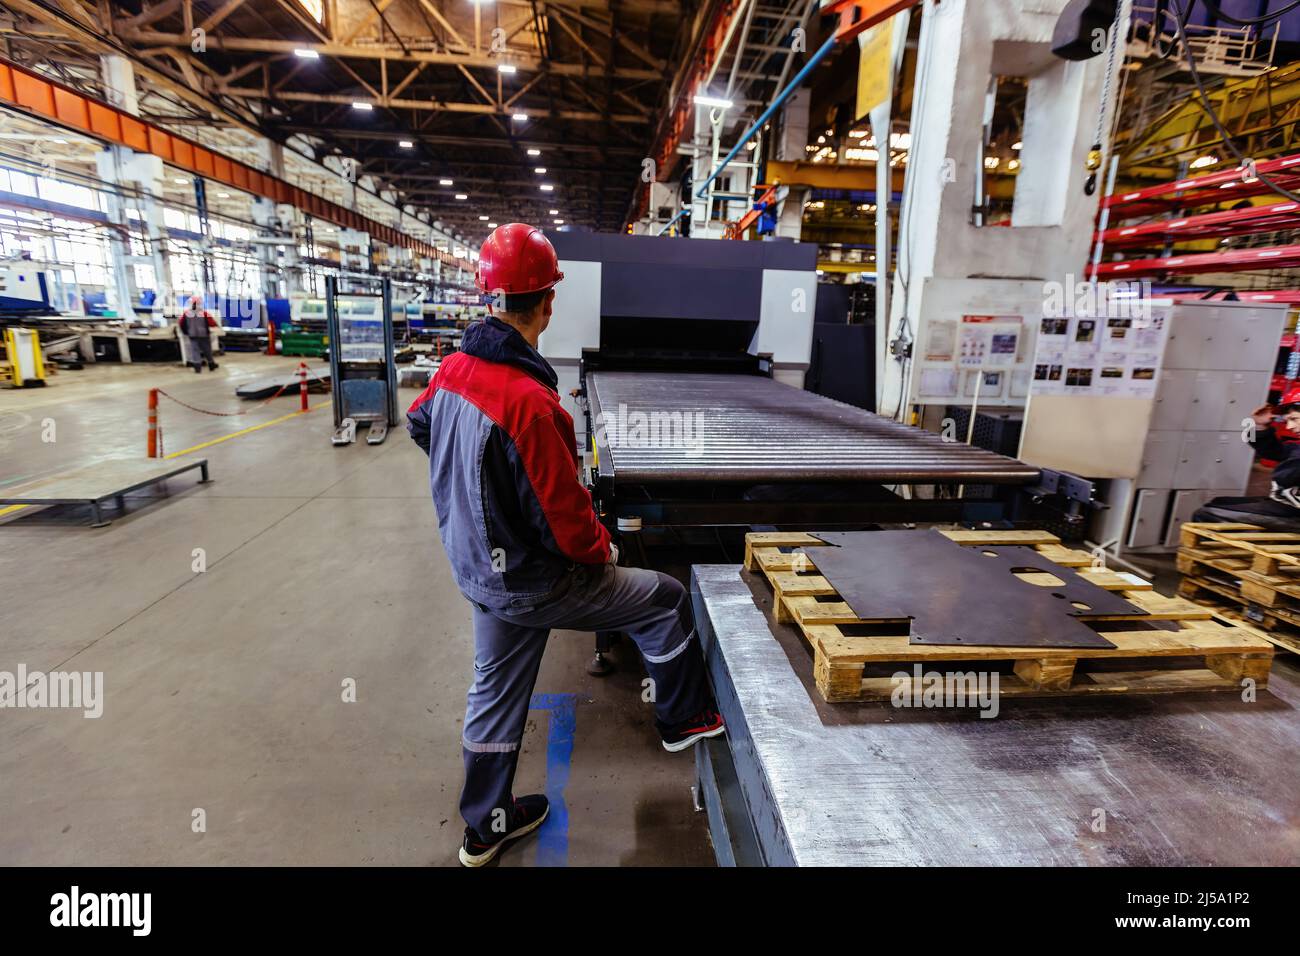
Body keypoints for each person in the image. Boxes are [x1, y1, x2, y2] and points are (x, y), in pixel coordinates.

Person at [406, 223, 724, 867]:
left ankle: (486, 826)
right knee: (662, 599)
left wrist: (480, 499)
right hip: (535, 581)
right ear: (548, 303)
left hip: (478, 572)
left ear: (488, 297)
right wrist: (604, 551)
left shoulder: (451, 370)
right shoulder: (532, 405)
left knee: (493, 696)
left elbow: (420, 427)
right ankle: (681, 720)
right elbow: (568, 526)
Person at [1191, 386, 1300, 527]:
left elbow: (1285, 475)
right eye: (1286, 421)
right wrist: (1260, 426)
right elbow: (1273, 451)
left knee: (1205, 514)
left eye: (1294, 419)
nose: (1289, 426)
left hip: (1294, 512)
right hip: (1286, 504)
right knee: (1218, 502)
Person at [178, 295, 218, 372]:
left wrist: (186, 332)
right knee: (207, 350)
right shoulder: (204, 313)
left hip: (192, 335)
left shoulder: (186, 313)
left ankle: (197, 367)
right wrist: (216, 325)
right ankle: (211, 365)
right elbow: (212, 322)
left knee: (195, 351)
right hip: (204, 335)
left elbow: (181, 323)